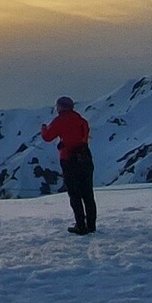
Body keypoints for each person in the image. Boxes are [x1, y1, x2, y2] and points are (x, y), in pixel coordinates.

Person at [40, 96, 97, 235]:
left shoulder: (60, 120)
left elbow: (48, 137)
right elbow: (82, 138)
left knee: (74, 194)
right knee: (88, 194)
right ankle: (91, 225)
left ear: (61, 107)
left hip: (69, 160)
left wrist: (44, 129)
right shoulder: (81, 120)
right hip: (85, 157)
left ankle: (80, 225)